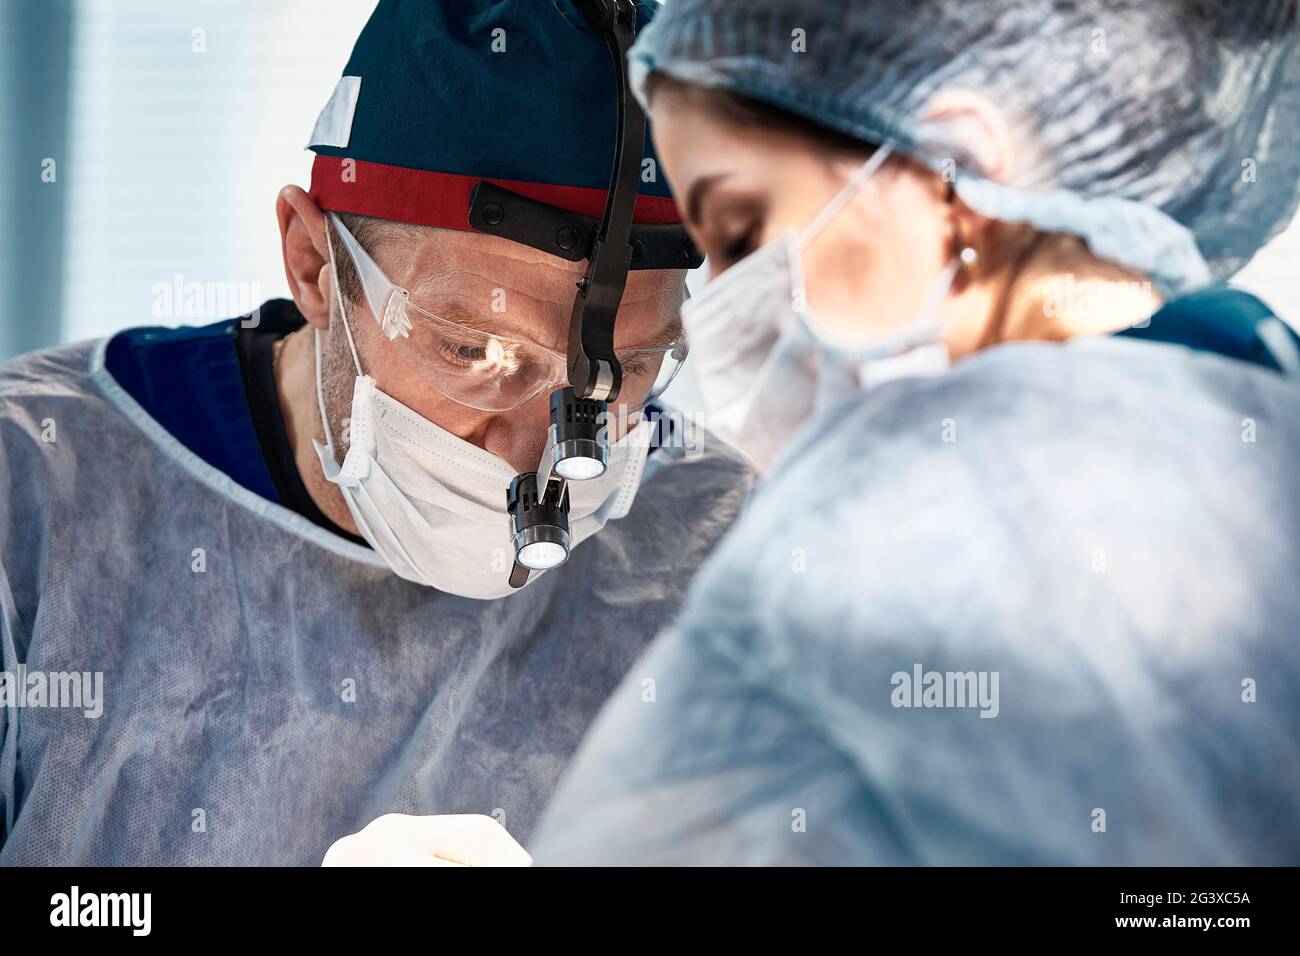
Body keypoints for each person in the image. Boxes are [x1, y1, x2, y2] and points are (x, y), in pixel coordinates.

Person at [530, 0, 1300, 864]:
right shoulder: (1254, 398)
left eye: (744, 231)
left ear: (958, 167)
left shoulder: (905, 504)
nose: (728, 318)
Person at [0, 0, 751, 865]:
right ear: (315, 265)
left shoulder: (727, 556)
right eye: (475, 351)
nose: (532, 456)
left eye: (615, 376)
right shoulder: (35, 499)